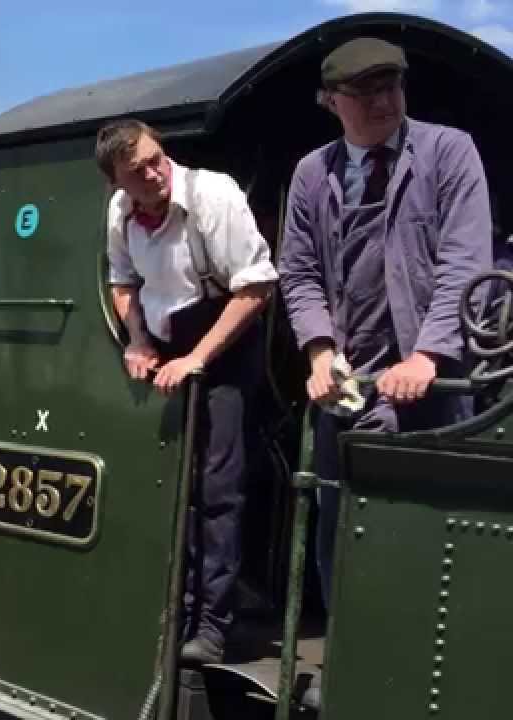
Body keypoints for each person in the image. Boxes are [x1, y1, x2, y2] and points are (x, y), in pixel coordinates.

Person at [278, 38, 492, 612]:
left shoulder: (449, 153)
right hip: (349, 387)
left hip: (433, 388)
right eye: (365, 91)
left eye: (391, 85)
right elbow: (299, 272)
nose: (383, 101)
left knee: (427, 540)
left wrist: (427, 356)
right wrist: (320, 352)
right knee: (340, 534)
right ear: (330, 100)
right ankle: (344, 648)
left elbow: (465, 263)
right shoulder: (311, 173)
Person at [99, 118, 278, 665]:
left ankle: (213, 625)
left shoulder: (213, 197)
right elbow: (122, 279)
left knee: (218, 488)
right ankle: (170, 605)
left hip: (223, 341)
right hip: (166, 345)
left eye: (156, 160)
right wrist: (137, 339)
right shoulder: (120, 212)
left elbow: (256, 286)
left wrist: (198, 358)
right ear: (116, 182)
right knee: (172, 479)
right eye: (138, 171)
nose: (154, 174)